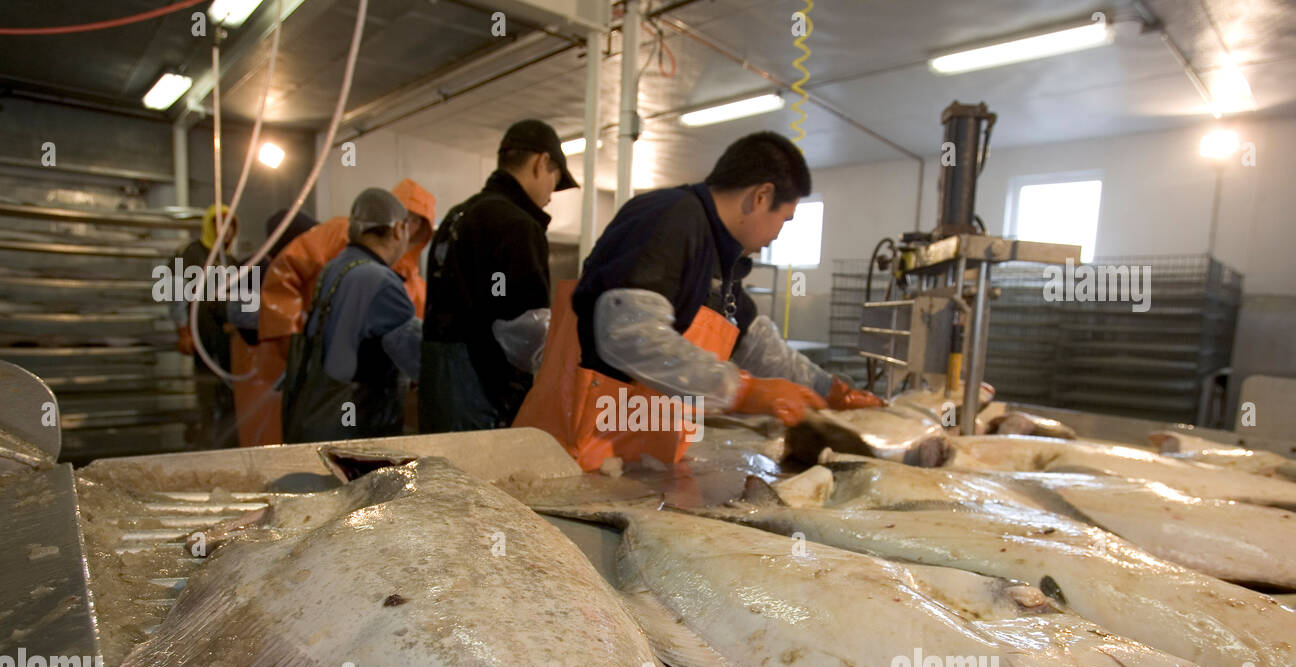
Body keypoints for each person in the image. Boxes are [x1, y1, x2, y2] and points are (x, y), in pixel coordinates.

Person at [514, 131, 881, 471]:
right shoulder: (669, 219)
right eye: (784, 220)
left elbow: (761, 350)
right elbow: (629, 335)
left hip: (626, 461)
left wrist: (831, 391)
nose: (777, 235)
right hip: (568, 458)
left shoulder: (721, 259)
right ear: (761, 196)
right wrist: (746, 390)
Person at [418, 119, 576, 433]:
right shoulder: (516, 225)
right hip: (482, 401)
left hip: (439, 396)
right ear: (541, 163)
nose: (550, 195)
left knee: (441, 479)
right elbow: (524, 330)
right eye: (554, 180)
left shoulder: (458, 215)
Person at [256, 179, 434, 444]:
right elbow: (420, 359)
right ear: (398, 229)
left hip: (315, 423)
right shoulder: (380, 281)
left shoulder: (336, 267)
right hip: (356, 436)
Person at [229, 209, 317, 446]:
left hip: (285, 369)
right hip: (256, 370)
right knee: (260, 441)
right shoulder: (251, 269)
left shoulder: (297, 270)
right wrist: (286, 318)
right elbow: (237, 313)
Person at [172, 203, 239, 449]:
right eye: (220, 224)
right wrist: (183, 330)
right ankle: (207, 442)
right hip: (200, 333)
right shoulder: (191, 254)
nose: (227, 231)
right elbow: (176, 292)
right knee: (206, 392)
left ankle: (228, 444)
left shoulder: (229, 260)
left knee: (229, 392)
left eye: (231, 225)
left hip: (225, 337)